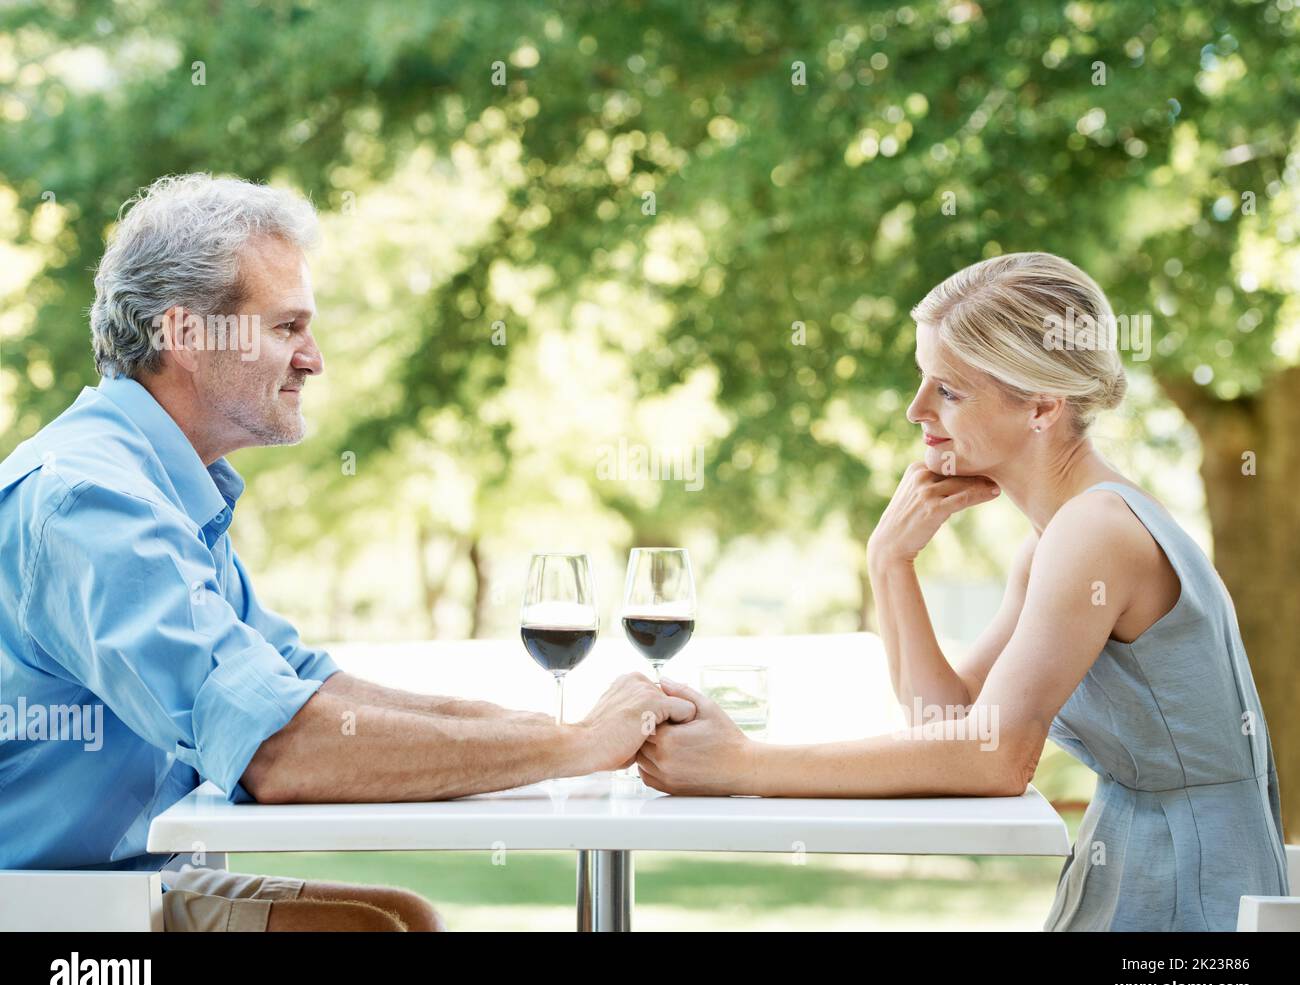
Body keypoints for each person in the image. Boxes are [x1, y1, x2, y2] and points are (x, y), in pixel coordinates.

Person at [0, 173, 695, 932]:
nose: (313, 359)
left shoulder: (164, 487)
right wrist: (573, 746)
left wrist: (548, 731)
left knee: (399, 918)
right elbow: (280, 752)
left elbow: (304, 685)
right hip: (47, 914)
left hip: (129, 886)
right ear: (187, 336)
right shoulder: (92, 504)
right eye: (287, 327)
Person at [637, 251, 1290, 931]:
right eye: (923, 379)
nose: (916, 409)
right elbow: (948, 724)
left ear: (1042, 406)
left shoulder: (1095, 531)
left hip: (1192, 892)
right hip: (1144, 863)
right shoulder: (1060, 535)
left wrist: (743, 765)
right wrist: (891, 562)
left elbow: (995, 759)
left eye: (948, 390)